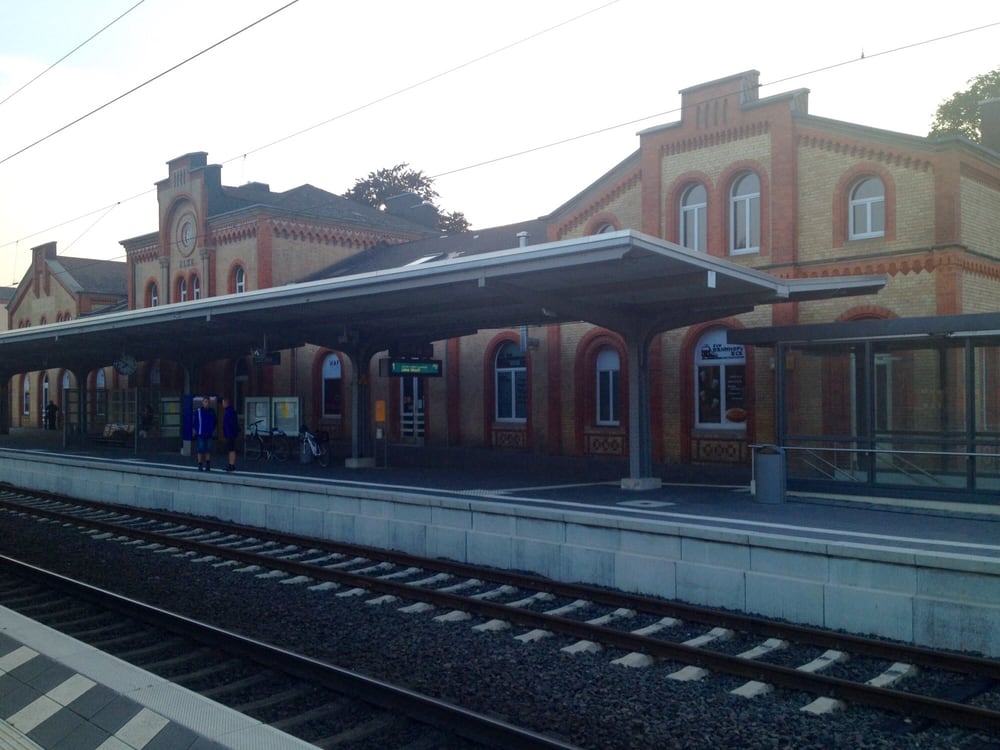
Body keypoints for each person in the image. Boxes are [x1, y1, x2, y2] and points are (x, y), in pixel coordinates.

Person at [193, 396, 217, 471]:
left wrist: (211, 429)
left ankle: (208, 465)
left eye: (208, 402)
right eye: (205, 402)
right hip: (201, 433)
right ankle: (200, 464)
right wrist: (197, 430)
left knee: (208, 450)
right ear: (202, 403)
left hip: (209, 434)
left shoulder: (212, 411)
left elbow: (215, 421)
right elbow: (195, 422)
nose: (206, 403)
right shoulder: (198, 411)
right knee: (200, 449)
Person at [222, 397, 239, 472]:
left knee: (231, 449)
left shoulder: (228, 412)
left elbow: (230, 424)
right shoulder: (231, 411)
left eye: (223, 403)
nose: (222, 404)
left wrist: (228, 433)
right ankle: (231, 464)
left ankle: (231, 464)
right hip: (230, 433)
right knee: (231, 449)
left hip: (230, 434)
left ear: (226, 403)